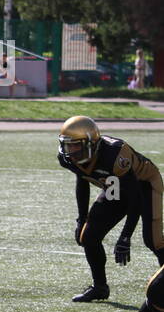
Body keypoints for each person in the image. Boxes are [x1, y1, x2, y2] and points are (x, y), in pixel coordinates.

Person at [57, 116, 164, 302]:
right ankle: (100, 287)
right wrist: (81, 219)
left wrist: (125, 237)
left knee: (153, 240)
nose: (70, 151)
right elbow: (82, 182)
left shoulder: (114, 155)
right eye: (68, 145)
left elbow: (135, 197)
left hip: (144, 185)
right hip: (114, 186)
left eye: (75, 145)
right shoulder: (68, 158)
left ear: (91, 143)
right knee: (88, 237)